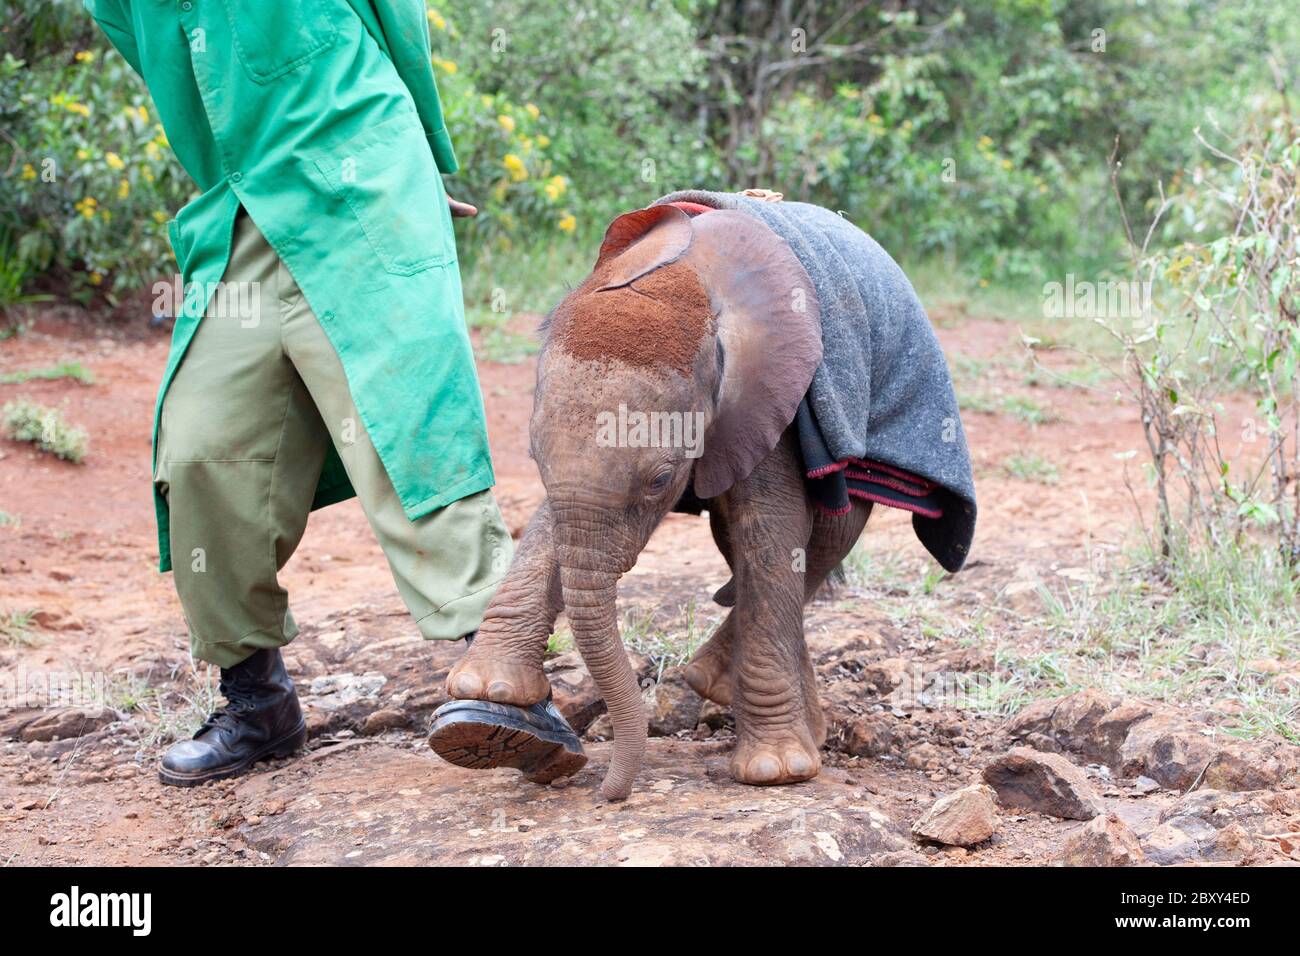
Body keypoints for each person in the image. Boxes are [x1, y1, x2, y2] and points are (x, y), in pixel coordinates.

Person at [84, 0, 585, 786]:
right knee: (200, 448)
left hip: (360, 180)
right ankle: (257, 705)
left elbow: (399, 19)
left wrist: (414, 161)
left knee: (405, 417)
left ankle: (509, 678)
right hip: (238, 214)